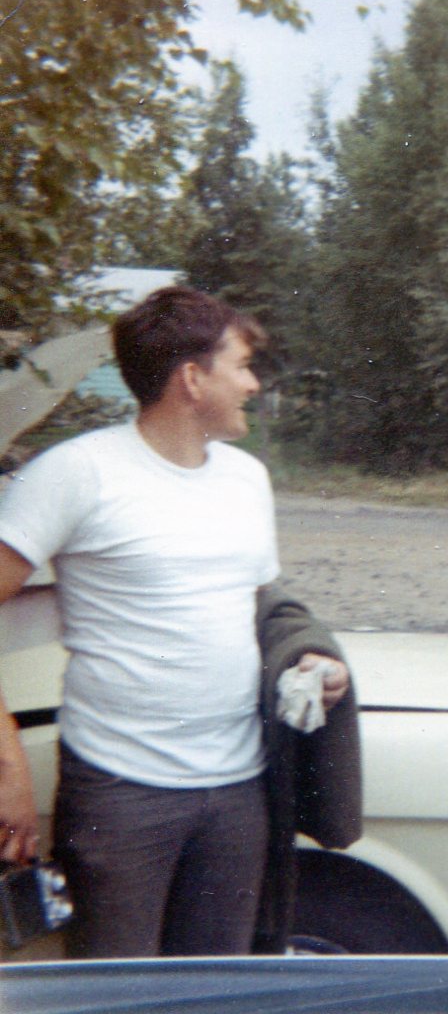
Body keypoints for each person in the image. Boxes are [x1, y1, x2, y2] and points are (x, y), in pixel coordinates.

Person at [0, 286, 352, 958]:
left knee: (214, 995)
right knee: (117, 1002)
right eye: (243, 366)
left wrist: (310, 659)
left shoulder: (247, 479)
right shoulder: (75, 473)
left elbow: (259, 608)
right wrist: (8, 764)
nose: (253, 383)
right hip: (120, 797)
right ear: (192, 378)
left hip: (238, 792)